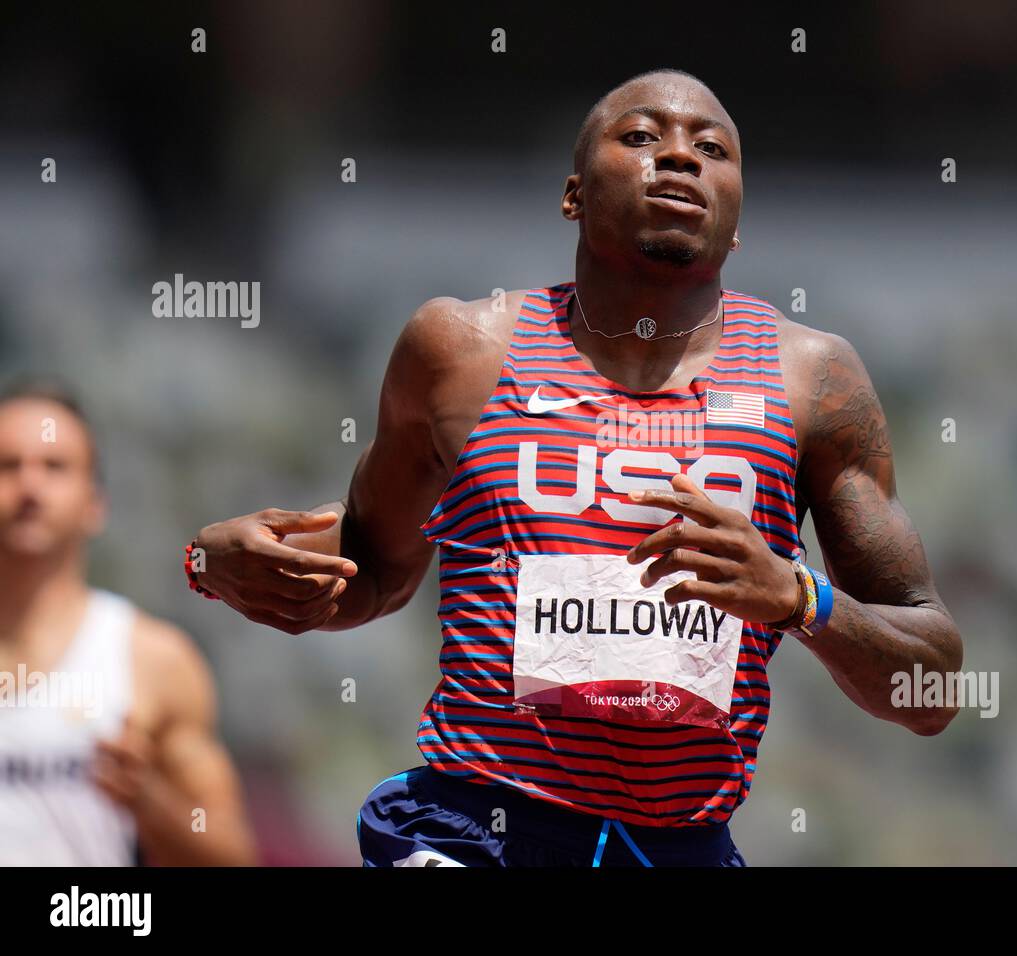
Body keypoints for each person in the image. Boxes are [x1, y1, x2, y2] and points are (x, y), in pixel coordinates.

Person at [190, 67, 963, 867]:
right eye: (640, 137)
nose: (679, 158)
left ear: (738, 224)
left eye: (712, 149)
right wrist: (213, 562)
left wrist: (796, 595)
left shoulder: (813, 380)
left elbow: (932, 684)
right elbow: (375, 569)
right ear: (573, 194)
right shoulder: (461, 351)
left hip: (677, 846)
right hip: (476, 829)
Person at [0, 382, 256, 866]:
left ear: (95, 503)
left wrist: (147, 798)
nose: (30, 487)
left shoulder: (152, 658)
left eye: (54, 467)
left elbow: (233, 857)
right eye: (8, 466)